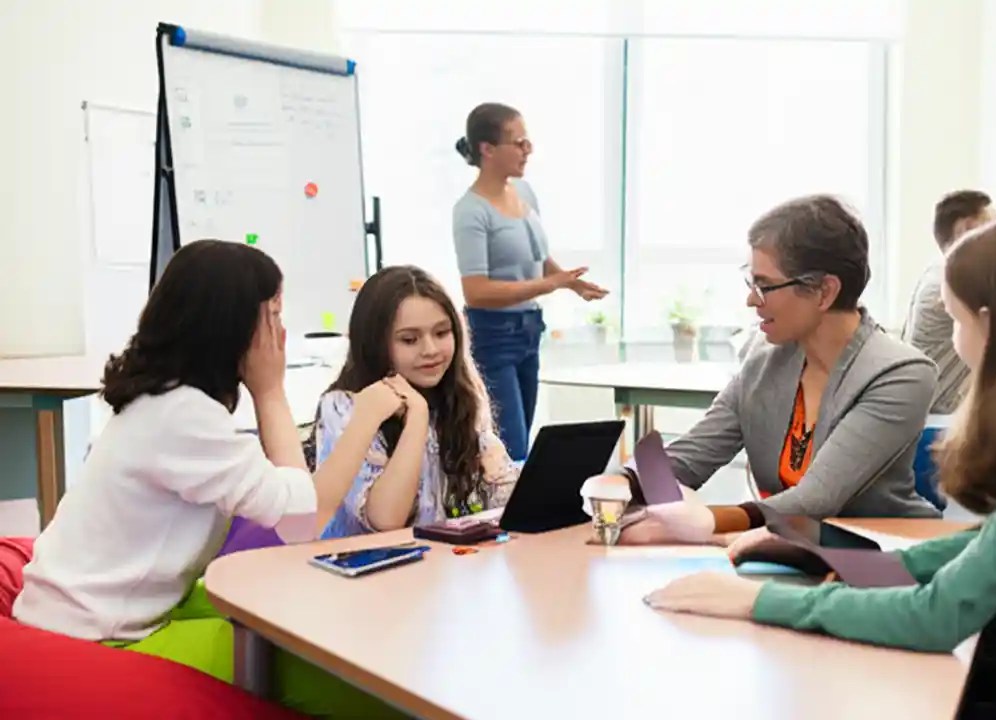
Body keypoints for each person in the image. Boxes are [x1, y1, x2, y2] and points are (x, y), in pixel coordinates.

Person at [644, 215, 996, 719]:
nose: (751, 299)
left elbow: (936, 614)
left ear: (992, 324)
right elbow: (989, 545)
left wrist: (757, 597)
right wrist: (852, 565)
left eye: (953, 319)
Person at [14, 240, 403, 718]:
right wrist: (276, 393)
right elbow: (301, 520)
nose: (281, 335)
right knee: (356, 677)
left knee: (291, 606)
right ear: (232, 326)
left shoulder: (163, 400)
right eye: (272, 318)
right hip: (102, 638)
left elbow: (290, 506)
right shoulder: (182, 416)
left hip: (96, 614)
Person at [591, 194, 942, 546]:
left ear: (824, 291)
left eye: (765, 286)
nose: (751, 300)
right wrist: (623, 482)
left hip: (881, 558)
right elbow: (690, 456)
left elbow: (816, 499)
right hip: (784, 551)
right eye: (751, 283)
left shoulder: (901, 374)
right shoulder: (763, 360)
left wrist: (706, 523)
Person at [304, 265, 520, 537]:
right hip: (370, 561)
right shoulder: (346, 406)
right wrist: (417, 417)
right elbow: (386, 520)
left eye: (441, 333)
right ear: (375, 343)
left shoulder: (458, 397)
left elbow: (504, 497)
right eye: (409, 340)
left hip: (442, 559)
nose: (430, 350)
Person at [452, 102, 608, 461]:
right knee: (511, 448)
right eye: (519, 143)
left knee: (523, 444)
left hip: (528, 330)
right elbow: (476, 291)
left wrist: (569, 282)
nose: (528, 150)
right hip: (492, 336)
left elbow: (537, 259)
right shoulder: (470, 210)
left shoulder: (524, 192)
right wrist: (551, 285)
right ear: (488, 149)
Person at [903, 190, 996, 413]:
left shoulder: (940, 268)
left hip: (935, 404)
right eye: (995, 228)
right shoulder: (952, 278)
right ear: (968, 229)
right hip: (942, 411)